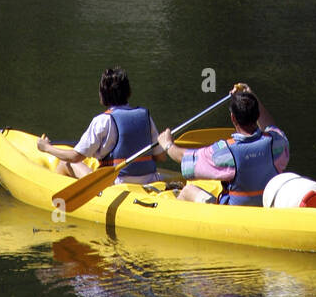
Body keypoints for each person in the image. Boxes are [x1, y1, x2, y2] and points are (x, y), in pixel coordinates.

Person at [158, 83, 288, 205]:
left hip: (232, 216)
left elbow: (185, 158)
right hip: (267, 210)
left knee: (188, 190)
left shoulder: (224, 152)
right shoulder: (276, 143)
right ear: (257, 114)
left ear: (233, 118)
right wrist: (252, 95)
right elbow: (271, 126)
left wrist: (168, 144)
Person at [37, 67, 166, 185]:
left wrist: (47, 147)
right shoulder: (145, 116)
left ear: (102, 96)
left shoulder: (102, 121)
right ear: (129, 93)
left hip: (116, 184)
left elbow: (75, 157)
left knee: (66, 163)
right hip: (149, 180)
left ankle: (55, 192)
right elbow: (161, 157)